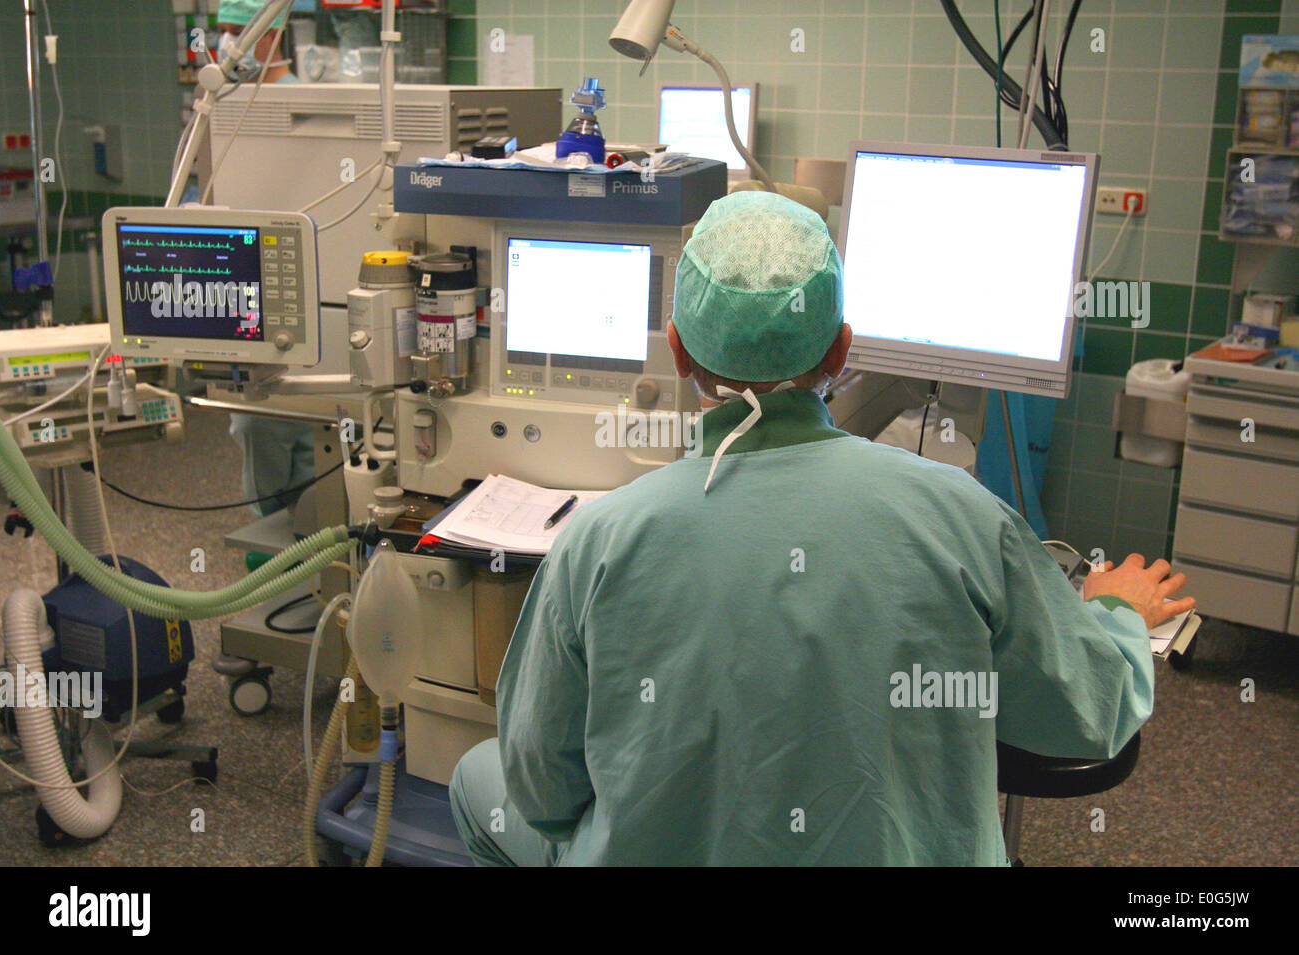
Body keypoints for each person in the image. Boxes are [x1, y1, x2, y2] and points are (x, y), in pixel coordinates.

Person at [448, 190, 1194, 866]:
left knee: (474, 780)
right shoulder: (959, 514)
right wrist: (1117, 610)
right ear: (840, 350)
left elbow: (543, 794)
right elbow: (1090, 718)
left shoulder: (600, 541)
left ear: (678, 351)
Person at [215, 0, 313, 517]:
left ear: (268, 33)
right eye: (222, 31)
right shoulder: (226, 104)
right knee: (256, 421)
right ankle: (274, 534)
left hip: (297, 278)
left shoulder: (306, 104)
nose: (225, 44)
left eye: (236, 31)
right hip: (247, 282)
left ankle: (301, 529)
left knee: (296, 416)